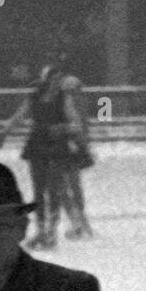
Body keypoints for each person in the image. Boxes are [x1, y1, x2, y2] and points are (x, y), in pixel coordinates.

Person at [0, 61, 84, 250]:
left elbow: (77, 123)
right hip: (37, 146)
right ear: (46, 80)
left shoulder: (64, 99)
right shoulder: (33, 98)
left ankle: (50, 232)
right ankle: (41, 231)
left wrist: (63, 128)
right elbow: (18, 117)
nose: (57, 82)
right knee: (39, 191)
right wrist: (3, 133)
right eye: (54, 78)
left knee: (54, 190)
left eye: (59, 79)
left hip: (57, 146)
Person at [60, 74, 95, 238]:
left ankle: (76, 221)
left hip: (64, 149)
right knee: (74, 186)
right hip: (74, 148)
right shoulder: (81, 103)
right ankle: (80, 220)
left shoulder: (63, 105)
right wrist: (84, 145)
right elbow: (83, 128)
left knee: (63, 188)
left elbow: (78, 127)